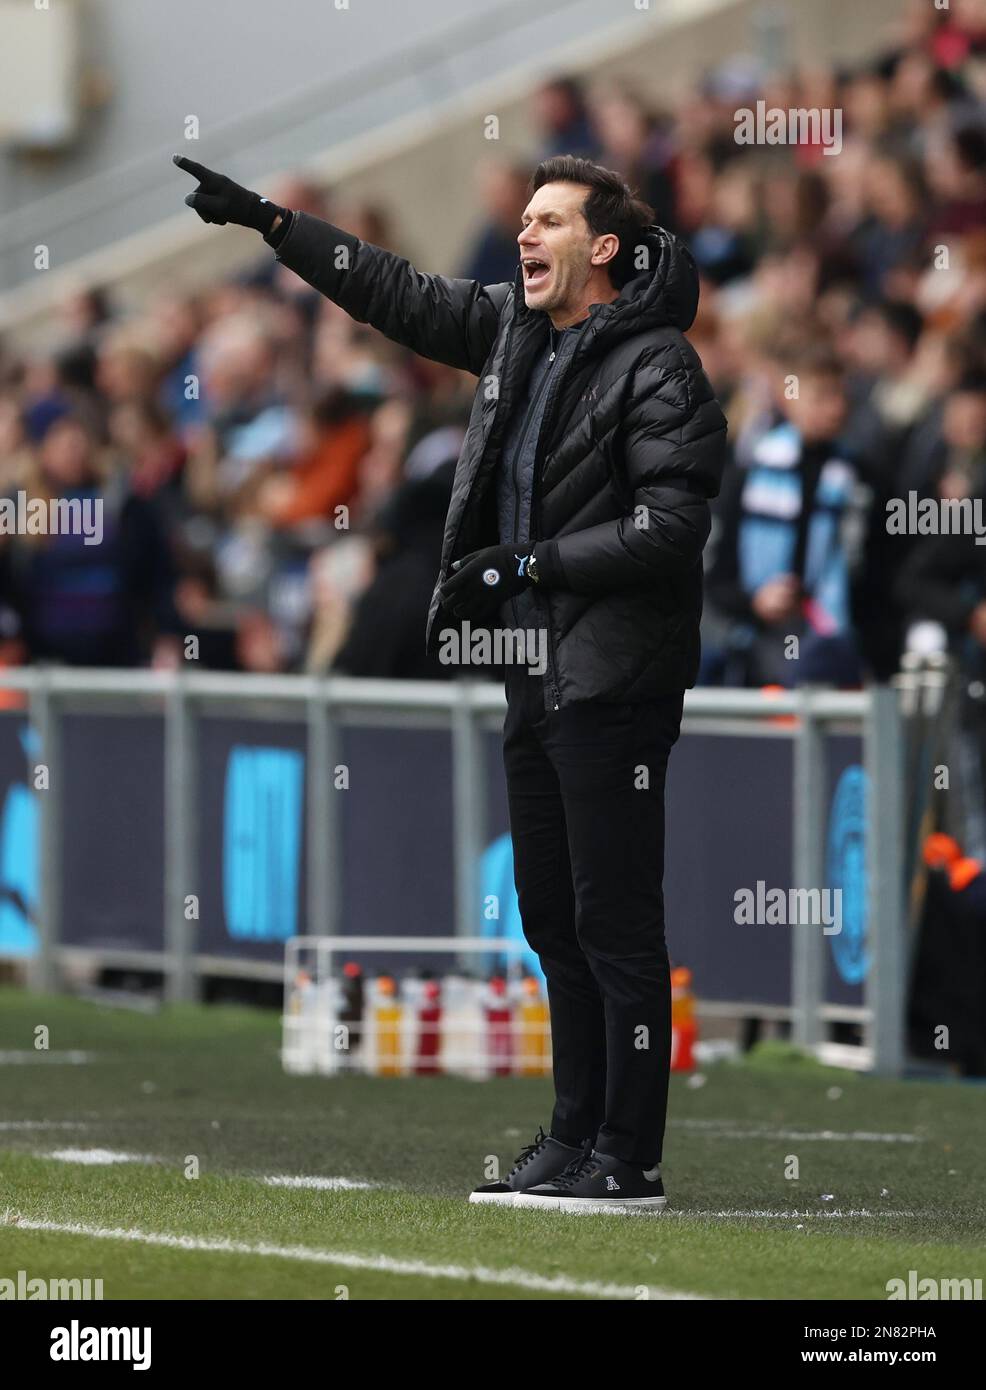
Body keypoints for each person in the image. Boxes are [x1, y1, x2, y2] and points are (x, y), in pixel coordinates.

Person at [175, 151, 727, 1212]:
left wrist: (526, 565)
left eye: (547, 221)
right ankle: (572, 1139)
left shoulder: (659, 364)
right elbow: (395, 293)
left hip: (611, 678)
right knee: (551, 920)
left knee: (614, 923)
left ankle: (630, 1154)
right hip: (532, 670)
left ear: (602, 248)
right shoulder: (514, 332)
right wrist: (273, 225)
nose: (522, 235)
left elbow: (671, 529)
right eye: (519, 219)